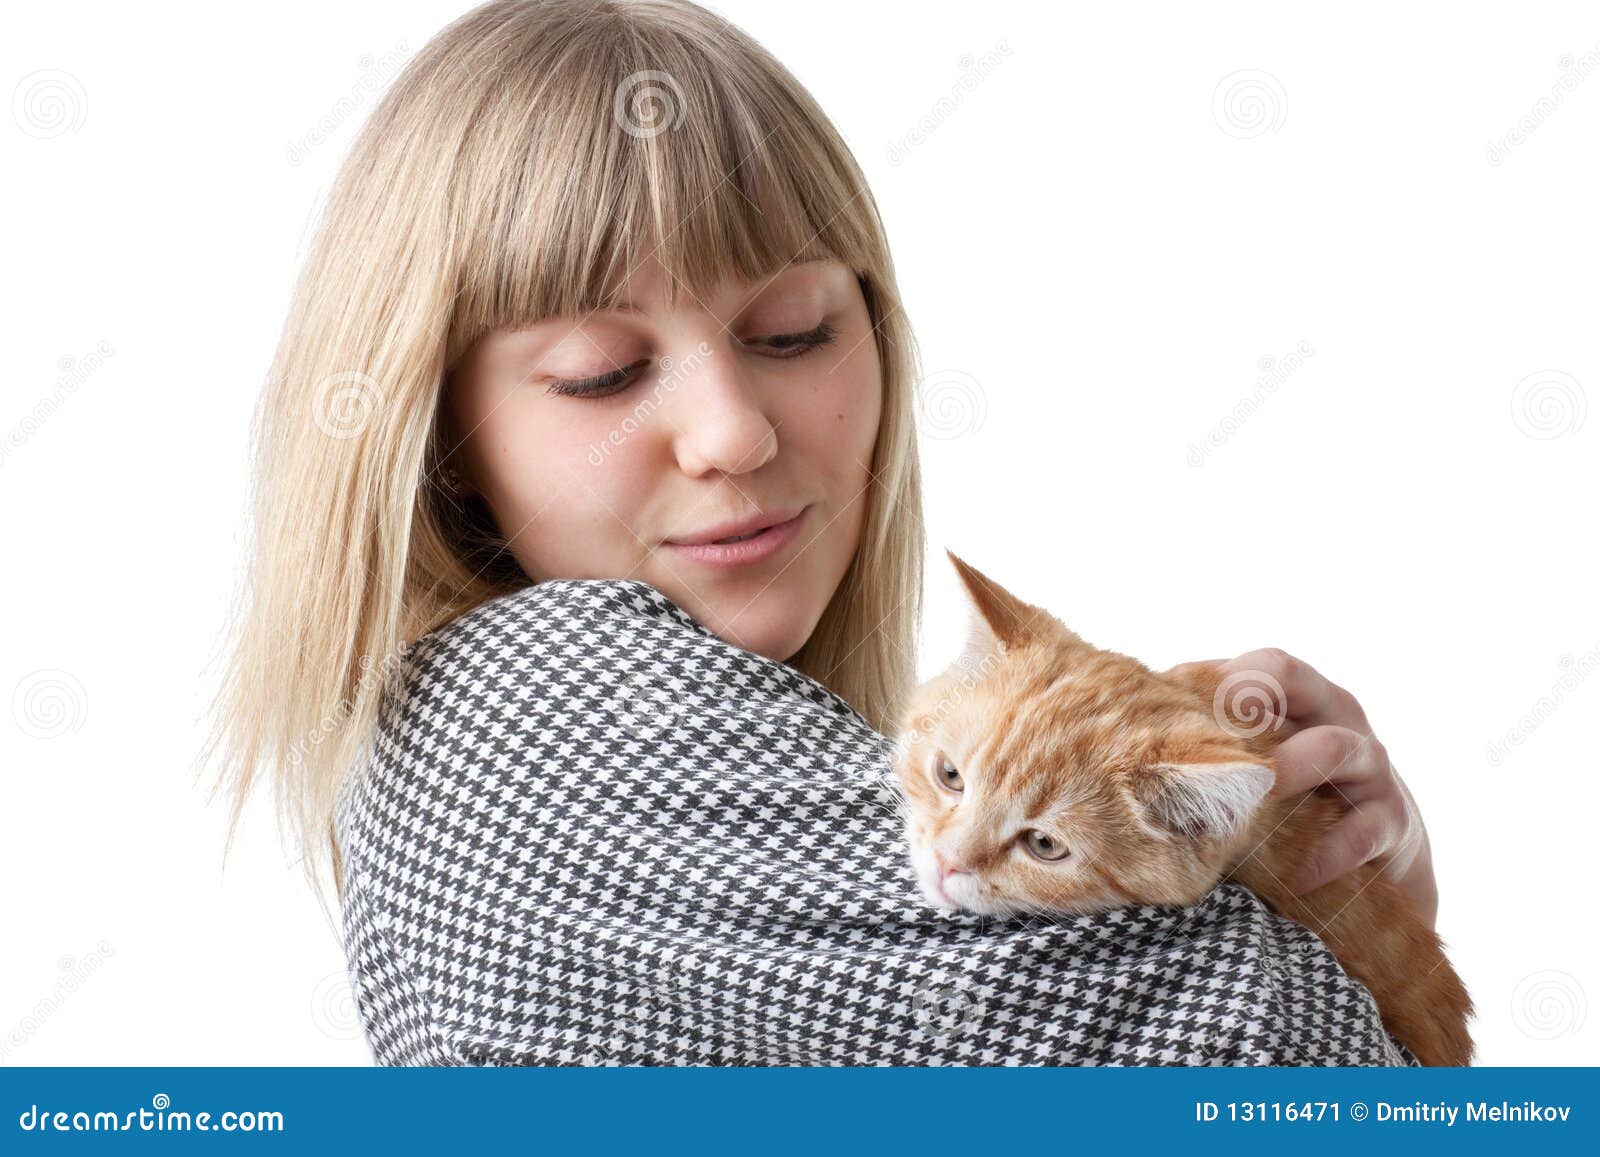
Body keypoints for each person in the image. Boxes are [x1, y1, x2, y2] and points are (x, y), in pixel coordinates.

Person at [203, 0, 1438, 1064]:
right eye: (598, 370)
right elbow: (1283, 1055)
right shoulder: (538, 698)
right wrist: (1338, 962)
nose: (734, 432)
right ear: (435, 438)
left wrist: (1359, 907)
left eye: (793, 330)